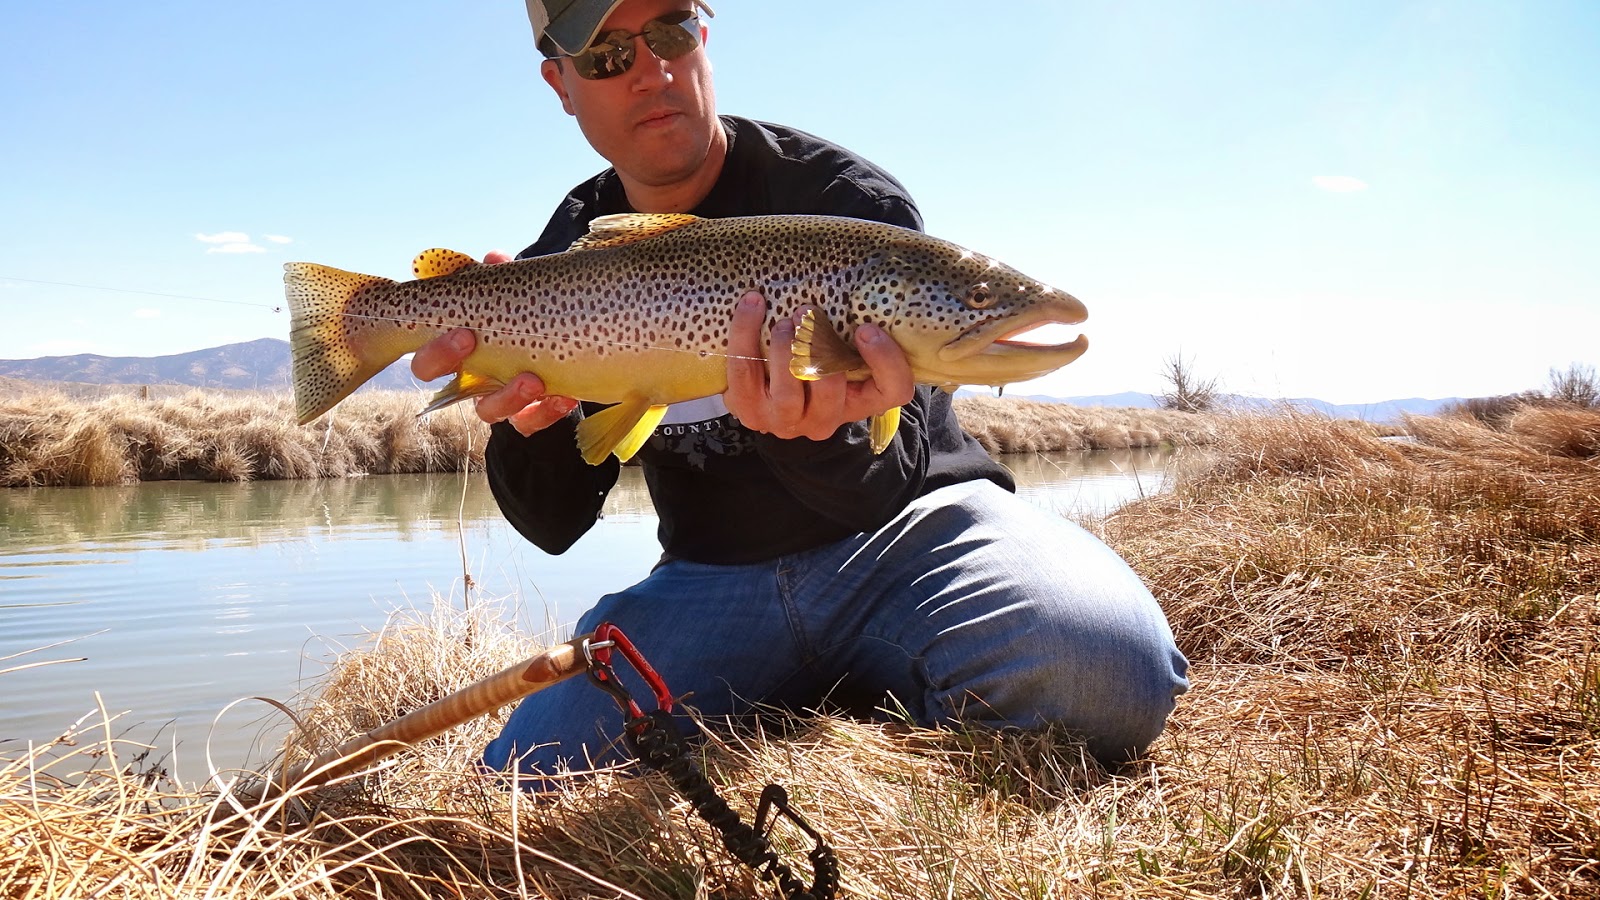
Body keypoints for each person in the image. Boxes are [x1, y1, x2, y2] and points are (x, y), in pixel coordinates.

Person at [411, 0, 1189, 778]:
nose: (651, 70)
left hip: (912, 535)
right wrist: (530, 427)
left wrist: (817, 438)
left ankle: (845, 688)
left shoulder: (846, 203)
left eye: (669, 32)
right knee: (532, 771)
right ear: (561, 84)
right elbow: (553, 527)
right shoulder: (561, 263)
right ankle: (859, 690)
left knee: (1111, 675)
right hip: (711, 582)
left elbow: (886, 480)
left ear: (703, 38)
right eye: (607, 55)